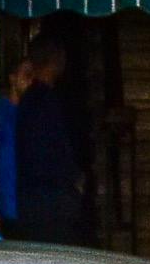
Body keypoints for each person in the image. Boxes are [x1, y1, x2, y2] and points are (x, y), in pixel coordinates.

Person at [8, 28, 92, 245]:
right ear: (57, 61)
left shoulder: (29, 103)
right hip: (48, 205)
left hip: (33, 203)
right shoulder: (44, 103)